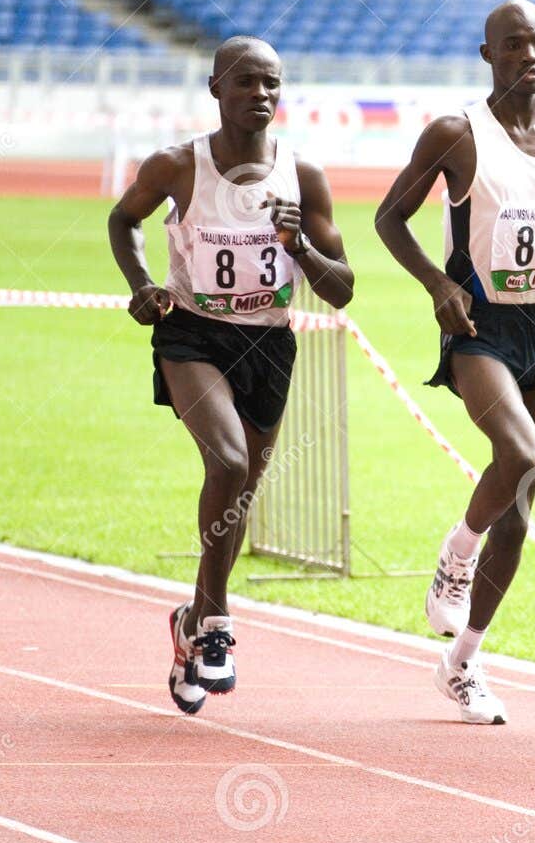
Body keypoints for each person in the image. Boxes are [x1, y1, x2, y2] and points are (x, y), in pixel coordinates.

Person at [377, 0, 535, 725]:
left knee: (522, 503)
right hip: (478, 323)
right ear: (486, 53)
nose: (531, 56)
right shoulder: (459, 135)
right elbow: (389, 216)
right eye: (514, 44)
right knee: (518, 455)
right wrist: (437, 285)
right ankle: (457, 553)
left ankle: (462, 664)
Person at [107, 35, 354, 716]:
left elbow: (343, 289)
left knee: (239, 494)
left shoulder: (303, 177)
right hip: (191, 335)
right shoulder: (178, 166)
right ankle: (217, 626)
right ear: (216, 88)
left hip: (269, 344)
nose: (260, 95)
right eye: (245, 82)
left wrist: (298, 244)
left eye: (272, 83)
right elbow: (122, 220)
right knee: (228, 462)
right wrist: (144, 284)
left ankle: (189, 624)